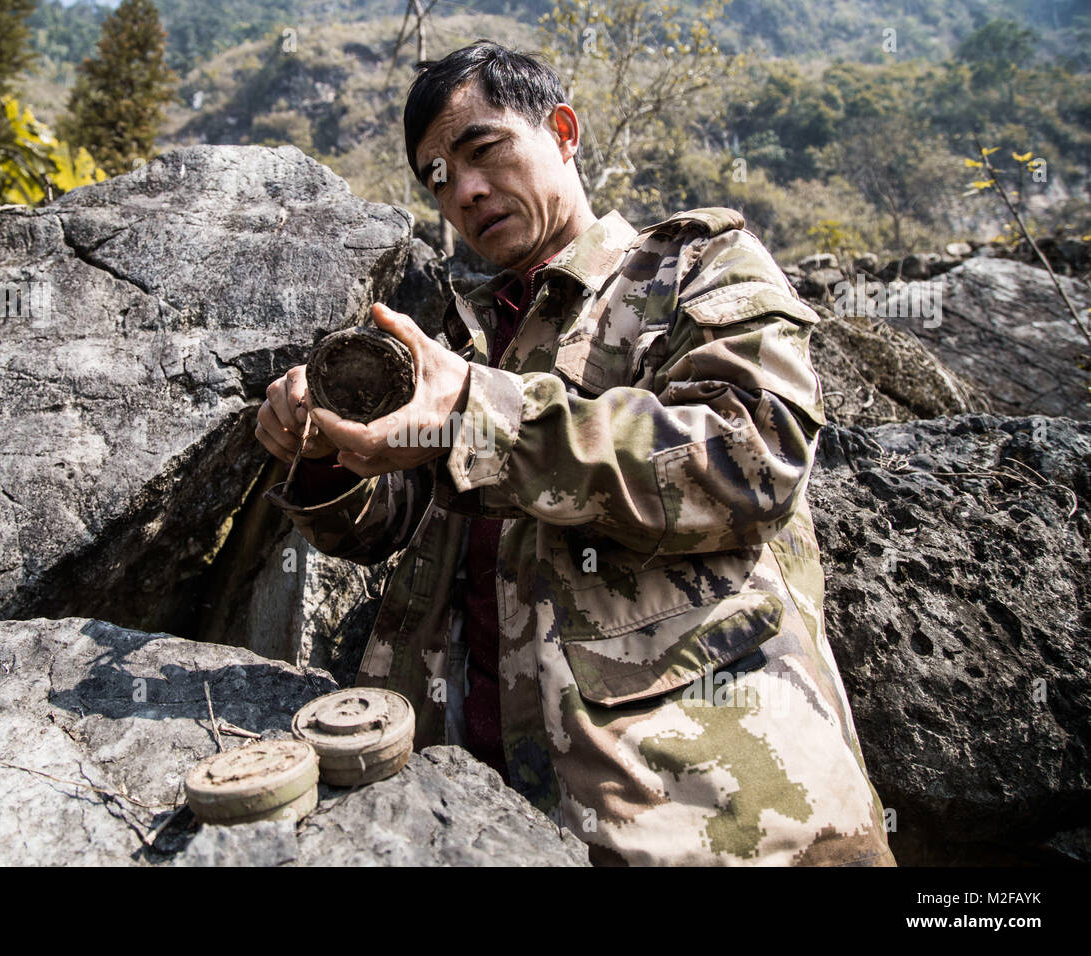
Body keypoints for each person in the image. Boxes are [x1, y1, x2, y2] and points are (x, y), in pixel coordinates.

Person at [255, 39, 894, 866]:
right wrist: (321, 453)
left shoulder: (691, 269)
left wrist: (475, 405)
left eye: (483, 150)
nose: (467, 191)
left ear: (562, 131)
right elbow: (395, 520)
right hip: (463, 812)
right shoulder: (465, 337)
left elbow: (750, 461)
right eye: (439, 179)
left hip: (710, 820)